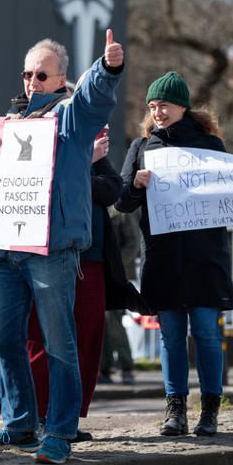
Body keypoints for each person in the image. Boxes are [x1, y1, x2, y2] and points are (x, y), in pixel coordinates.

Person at [0, 31, 124, 464]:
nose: (31, 81)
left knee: (60, 343)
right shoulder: (7, 123)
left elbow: (94, 99)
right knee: (4, 341)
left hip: (51, 251)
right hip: (5, 252)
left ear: (60, 80)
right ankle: (19, 424)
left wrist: (107, 69)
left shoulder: (69, 119)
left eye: (41, 74)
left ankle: (59, 429)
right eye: (27, 73)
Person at [116, 71, 233, 436]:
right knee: (170, 335)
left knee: (206, 332)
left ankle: (209, 410)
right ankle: (175, 411)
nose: (158, 112)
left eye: (165, 105)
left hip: (206, 258)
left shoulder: (209, 144)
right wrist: (135, 184)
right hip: (163, 258)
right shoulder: (141, 148)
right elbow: (122, 203)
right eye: (153, 106)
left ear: (183, 107)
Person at [26, 130, 146, 442]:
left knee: (86, 339)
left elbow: (113, 189)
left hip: (90, 259)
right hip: (47, 255)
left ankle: (69, 418)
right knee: (41, 337)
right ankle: (40, 415)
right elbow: (46, 185)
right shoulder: (40, 141)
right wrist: (81, 165)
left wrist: (81, 168)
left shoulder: (94, 153)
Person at [99, 208, 141, 385]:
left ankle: (126, 367)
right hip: (101, 271)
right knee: (102, 322)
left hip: (117, 274)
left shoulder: (122, 208)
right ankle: (104, 368)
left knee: (114, 320)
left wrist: (115, 264)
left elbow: (133, 242)